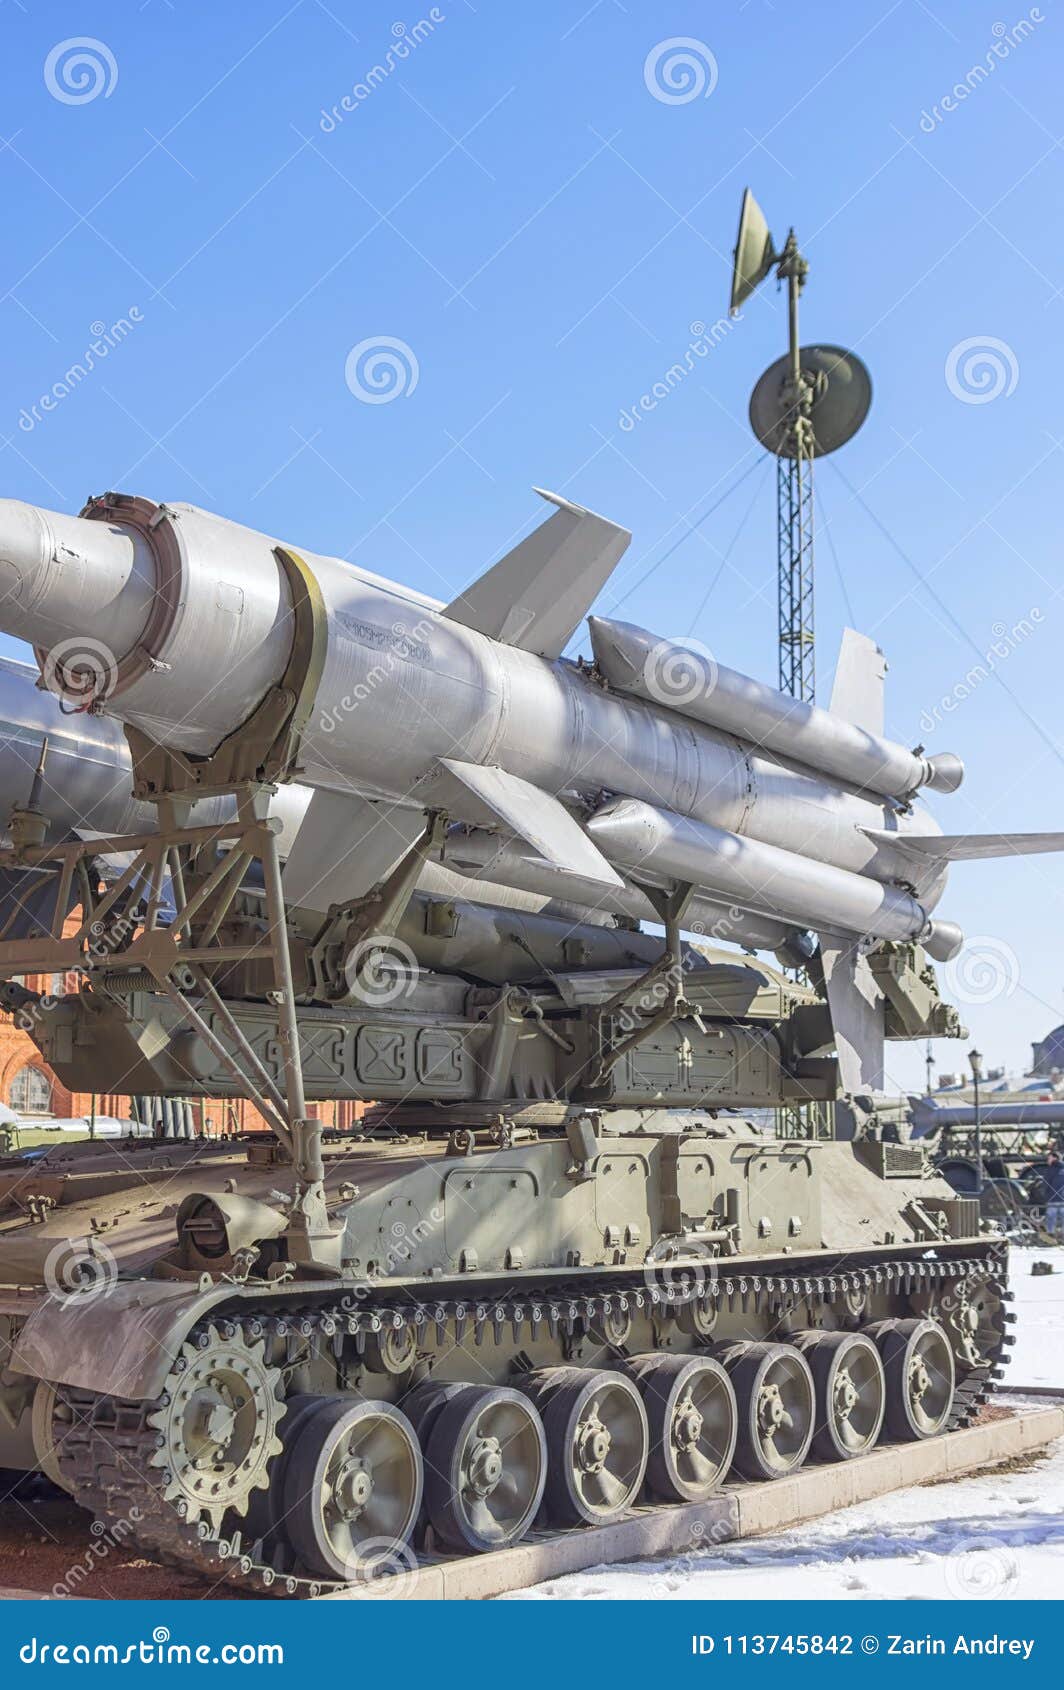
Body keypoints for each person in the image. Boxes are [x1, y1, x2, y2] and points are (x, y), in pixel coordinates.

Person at [1043, 1147, 1064, 1241]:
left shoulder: (1050, 1170)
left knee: (1051, 1219)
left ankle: (1050, 1236)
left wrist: (1045, 1195)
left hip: (1052, 1199)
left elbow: (1045, 1184)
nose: (1048, 1160)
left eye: (1049, 1158)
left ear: (1054, 1158)